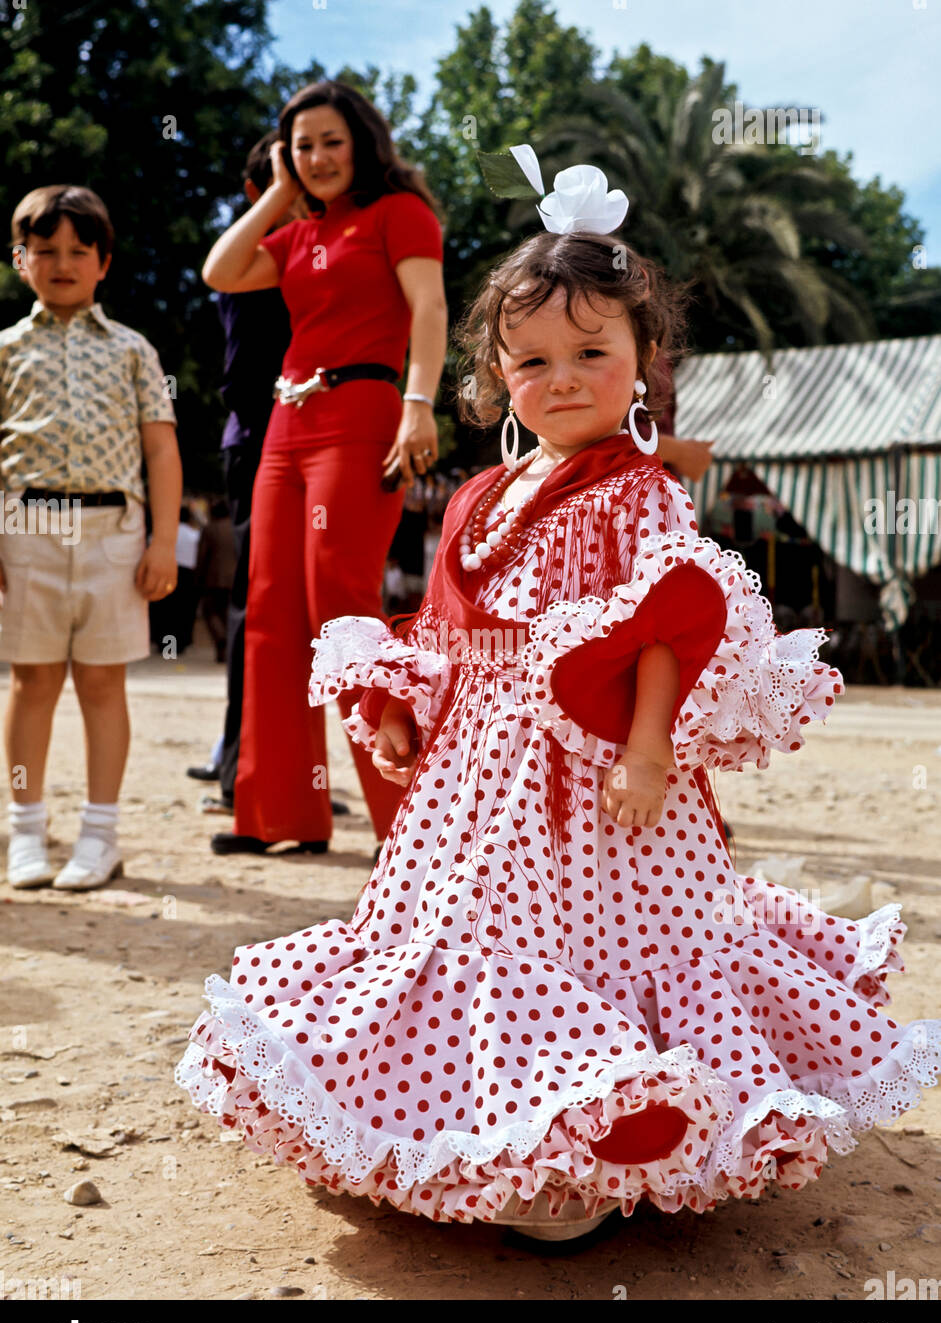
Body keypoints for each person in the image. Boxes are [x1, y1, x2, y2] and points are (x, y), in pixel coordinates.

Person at [175, 149, 940, 1247]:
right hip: (473, 781)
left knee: (601, 940)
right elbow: (441, 627)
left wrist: (642, 746)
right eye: (532, 360)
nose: (564, 377)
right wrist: (399, 709)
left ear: (642, 358)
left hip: (599, 777)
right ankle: (490, 1118)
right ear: (493, 372)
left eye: (592, 351)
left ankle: (605, 1123)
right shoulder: (480, 493)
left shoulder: (638, 488)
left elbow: (674, 619)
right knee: (468, 929)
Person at [202, 80, 447, 856]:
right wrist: (279, 190)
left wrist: (418, 403)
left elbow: (432, 309)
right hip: (285, 421)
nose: (318, 157)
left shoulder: (399, 213)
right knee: (270, 612)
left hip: (366, 413)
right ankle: (278, 817)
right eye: (301, 145)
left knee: (340, 605)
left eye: (330, 141)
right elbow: (220, 270)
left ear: (362, 141)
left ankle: (405, 818)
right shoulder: (299, 234)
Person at [0, 185, 181, 890]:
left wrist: (162, 540)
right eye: (45, 250)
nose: (62, 263)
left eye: (80, 250)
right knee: (31, 679)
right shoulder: (7, 351)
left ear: (104, 262)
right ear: (20, 260)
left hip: (113, 532)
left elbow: (161, 450)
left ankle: (100, 834)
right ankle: (25, 830)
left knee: (103, 684)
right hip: (25, 529)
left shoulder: (135, 350)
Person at [186, 132, 298, 795]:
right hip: (260, 439)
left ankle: (271, 763)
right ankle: (238, 761)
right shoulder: (254, 258)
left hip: (305, 439)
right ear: (258, 191)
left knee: (299, 611)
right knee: (257, 604)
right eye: (290, 181)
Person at [195, 498, 236, 663]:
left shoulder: (209, 529)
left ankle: (221, 638)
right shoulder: (236, 528)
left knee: (211, 612)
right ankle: (228, 645)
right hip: (235, 579)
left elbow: (202, 556)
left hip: (213, 579)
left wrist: (197, 578)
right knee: (229, 614)